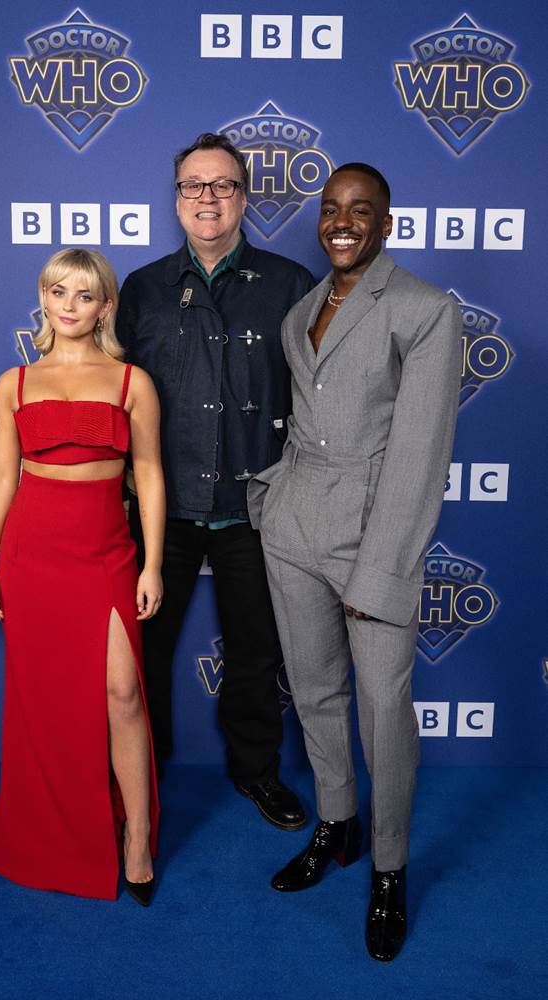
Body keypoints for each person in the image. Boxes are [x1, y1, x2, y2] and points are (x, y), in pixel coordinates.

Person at [248, 163, 461, 960]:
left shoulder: (424, 309)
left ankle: (389, 867)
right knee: (313, 689)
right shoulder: (304, 306)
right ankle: (337, 827)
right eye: (332, 209)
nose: (343, 222)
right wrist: (274, 508)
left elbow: (421, 454)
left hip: (373, 530)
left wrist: (383, 568)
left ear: (387, 222)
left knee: (382, 706)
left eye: (360, 210)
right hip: (295, 521)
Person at [116, 133, 314, 830]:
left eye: (222, 185)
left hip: (256, 507)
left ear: (244, 197)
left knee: (257, 652)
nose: (208, 197)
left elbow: (319, 398)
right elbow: (114, 407)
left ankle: (256, 774)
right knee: (143, 656)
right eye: (194, 185)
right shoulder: (140, 289)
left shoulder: (292, 285)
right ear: (175, 200)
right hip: (158, 511)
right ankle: (140, 779)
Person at [0, 248, 164, 905]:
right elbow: (3, 476)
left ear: (104, 306)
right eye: (59, 291)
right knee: (45, 701)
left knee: (123, 693)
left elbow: (148, 475)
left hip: (106, 551)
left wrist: (153, 563)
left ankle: (137, 837)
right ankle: (58, 835)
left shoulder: (130, 381)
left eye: (85, 296)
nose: (70, 305)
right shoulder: (14, 383)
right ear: (44, 298)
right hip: (33, 553)